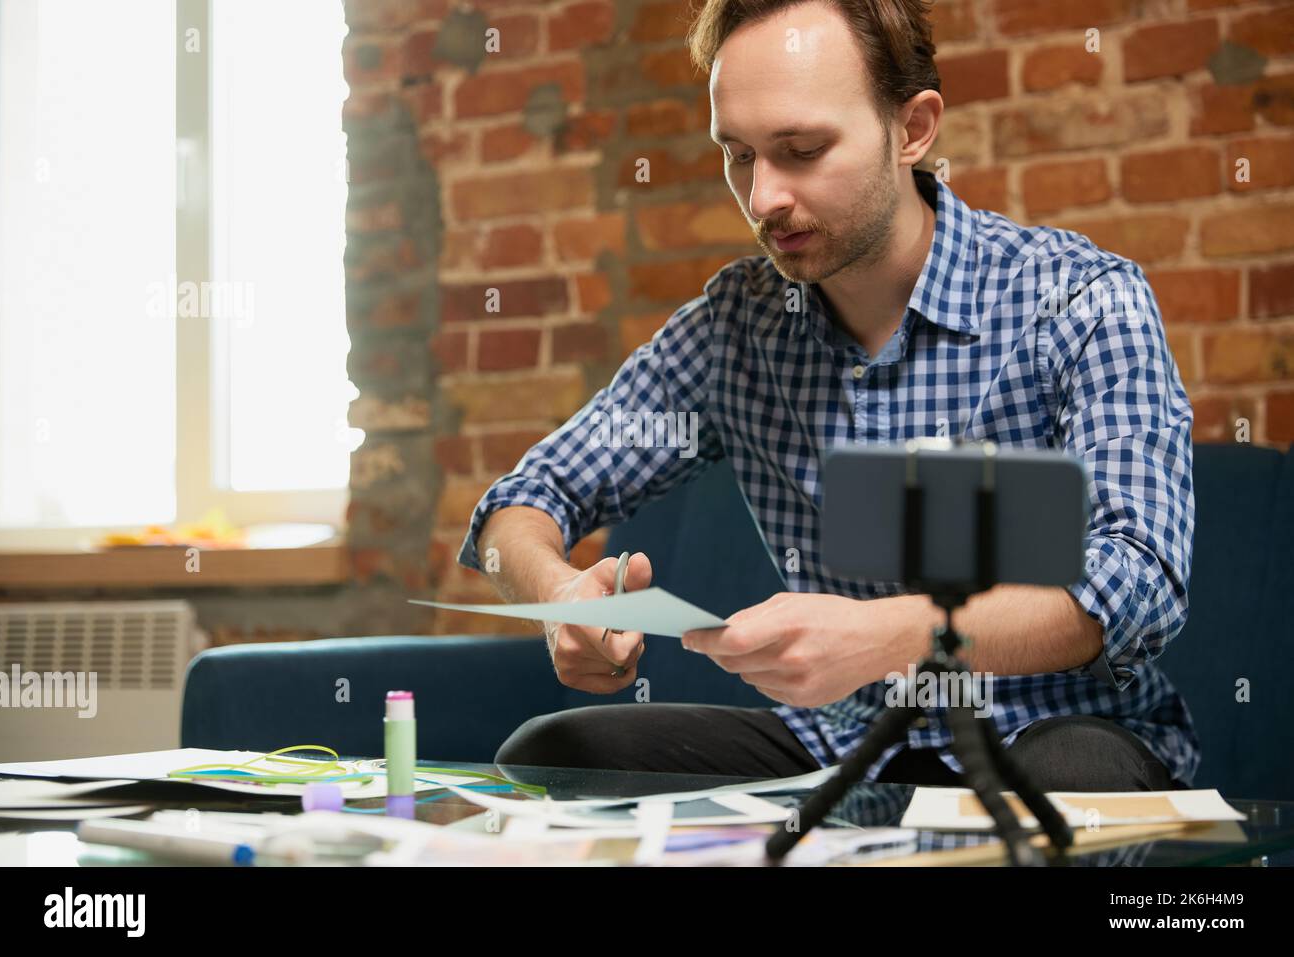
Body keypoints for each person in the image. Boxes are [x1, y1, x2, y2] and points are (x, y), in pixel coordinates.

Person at [455, 0, 1197, 792]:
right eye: (738, 155)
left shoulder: (1082, 300)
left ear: (913, 129)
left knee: (1063, 779)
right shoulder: (731, 330)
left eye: (801, 150)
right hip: (846, 744)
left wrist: (891, 636)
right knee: (555, 752)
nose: (764, 196)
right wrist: (562, 595)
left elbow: (1140, 577)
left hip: (1051, 732)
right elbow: (524, 503)